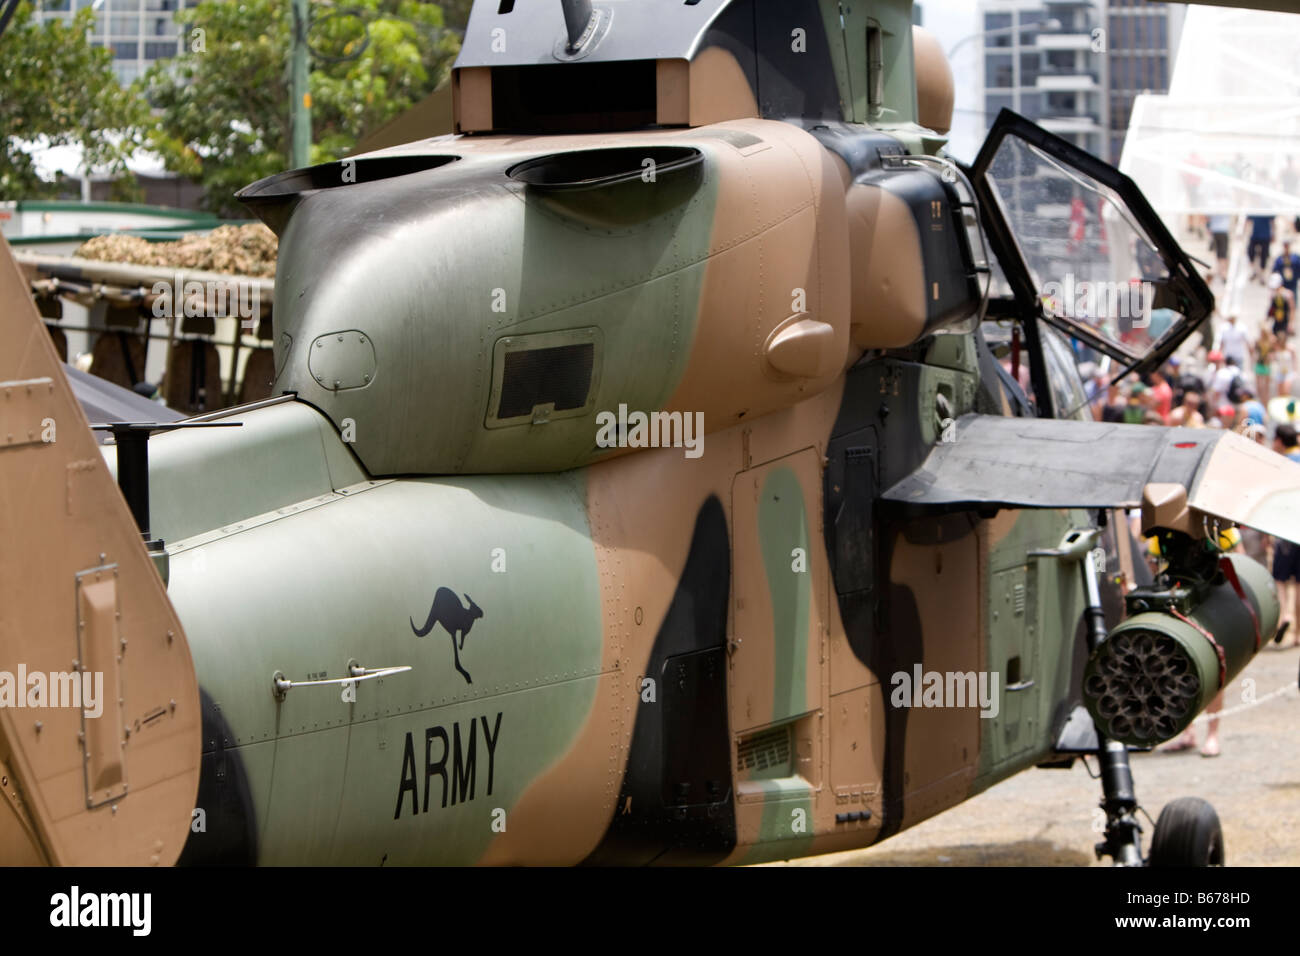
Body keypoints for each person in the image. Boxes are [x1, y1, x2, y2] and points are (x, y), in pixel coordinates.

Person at [1266, 272, 1295, 342]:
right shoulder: (1273, 295)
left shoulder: (1288, 295)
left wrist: (1291, 324)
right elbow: (1271, 309)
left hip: (1284, 321)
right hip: (1276, 321)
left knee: (1282, 341)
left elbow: (1292, 309)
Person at [1248, 214, 1274, 281]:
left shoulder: (1269, 209)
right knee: (1250, 252)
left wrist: (1273, 233)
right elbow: (1249, 220)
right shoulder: (1253, 208)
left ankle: (1262, 274)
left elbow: (1272, 221)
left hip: (1265, 235)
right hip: (1255, 234)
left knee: (1264, 255)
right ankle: (1254, 271)